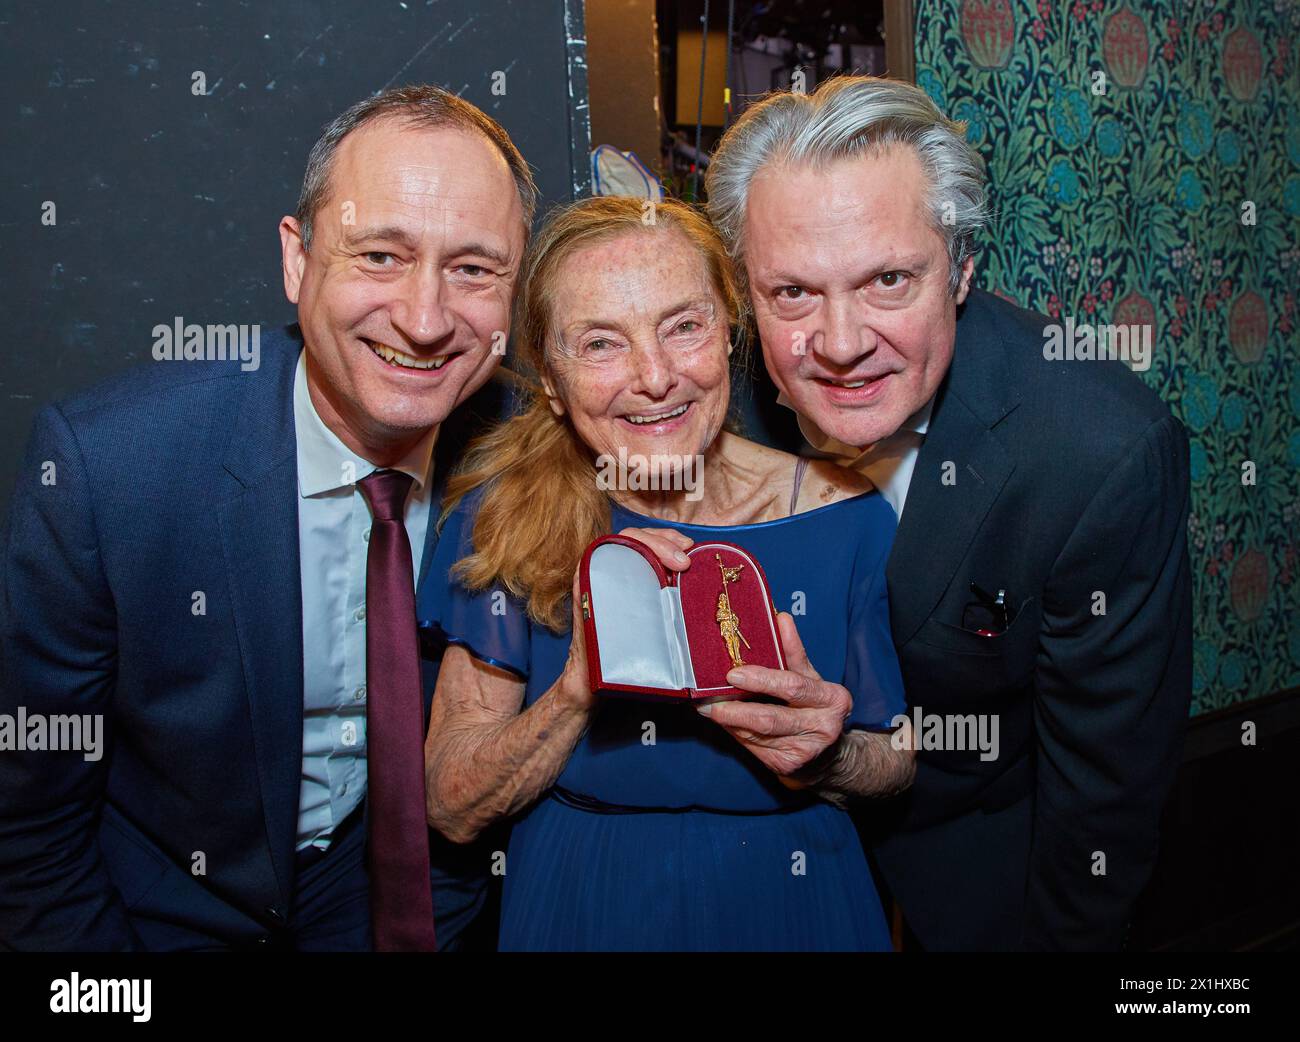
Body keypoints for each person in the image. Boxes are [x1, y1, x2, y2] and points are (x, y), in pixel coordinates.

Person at [0, 85, 534, 951]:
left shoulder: (535, 457)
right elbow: (28, 827)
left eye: (474, 269)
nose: (426, 319)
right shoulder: (110, 472)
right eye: (380, 256)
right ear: (298, 258)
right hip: (155, 920)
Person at [704, 75, 1193, 950]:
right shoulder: (700, 406)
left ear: (962, 268)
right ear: (744, 291)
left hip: (977, 880)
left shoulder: (1096, 452)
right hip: (739, 860)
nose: (843, 342)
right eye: (792, 294)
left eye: (889, 279)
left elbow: (1106, 794)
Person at [419, 196, 915, 951]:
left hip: (798, 905)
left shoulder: (845, 516)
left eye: (684, 326)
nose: (655, 378)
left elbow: (897, 762)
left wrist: (831, 752)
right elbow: (451, 803)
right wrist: (579, 686)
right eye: (601, 344)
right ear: (552, 381)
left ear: (730, 334)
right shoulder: (506, 516)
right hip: (584, 906)